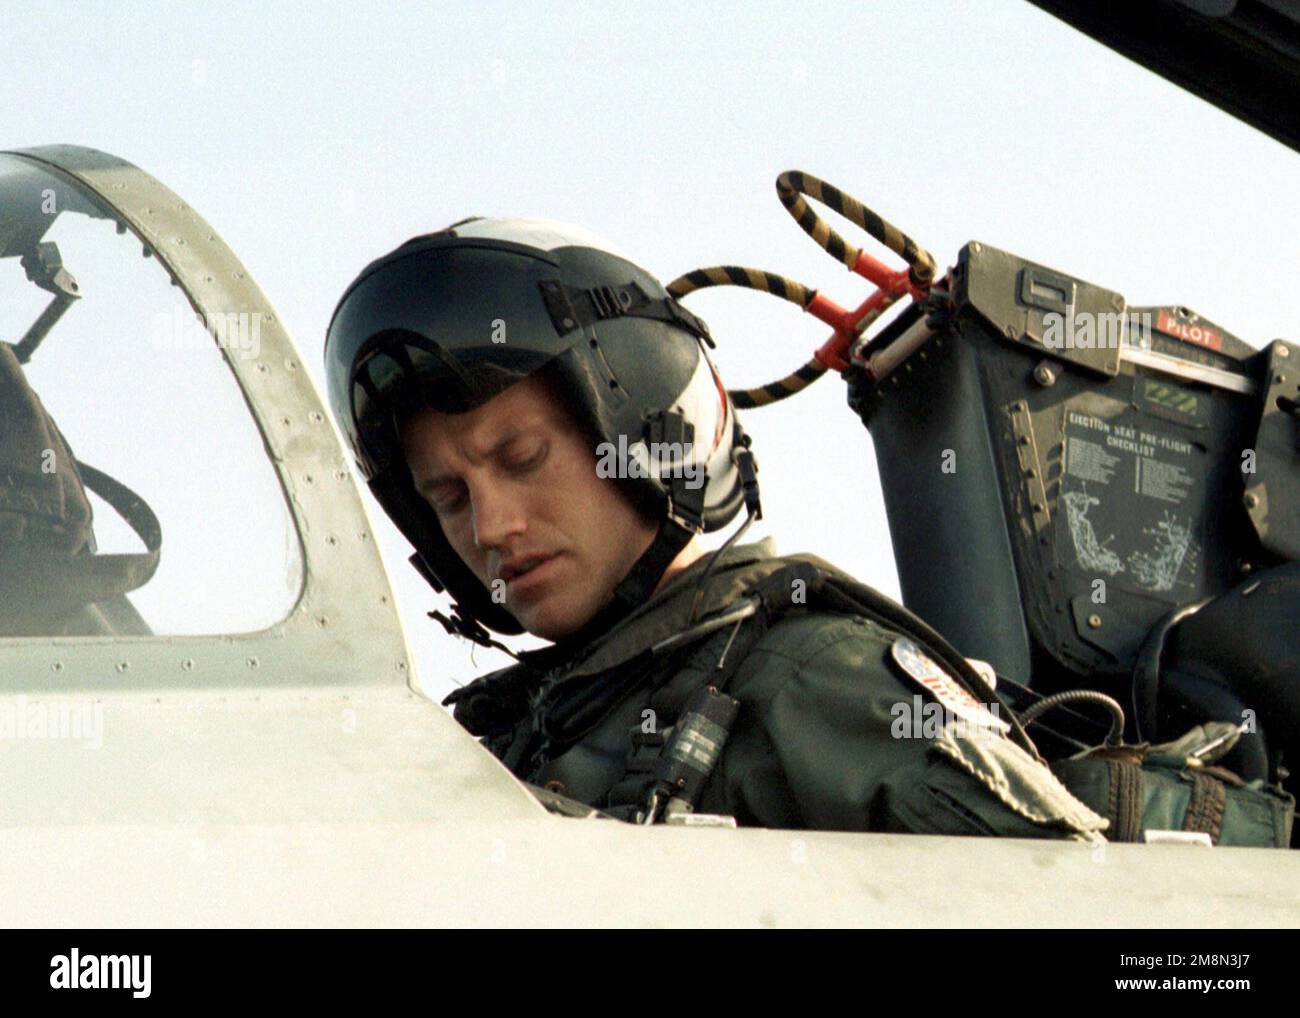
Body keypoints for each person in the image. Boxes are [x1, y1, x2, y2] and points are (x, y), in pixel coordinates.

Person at [324, 216, 1107, 839]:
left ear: (647, 436)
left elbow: (1082, 903)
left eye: (523, 458)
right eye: (448, 498)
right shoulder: (495, 737)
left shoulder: (804, 679)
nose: (491, 526)